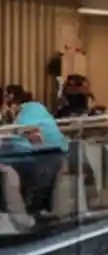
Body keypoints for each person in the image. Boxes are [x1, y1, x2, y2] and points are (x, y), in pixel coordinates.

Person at [1, 84, 69, 215]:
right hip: (58, 153)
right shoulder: (37, 107)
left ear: (11, 101)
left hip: (44, 158)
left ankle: (25, 211)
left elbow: (34, 137)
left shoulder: (26, 114)